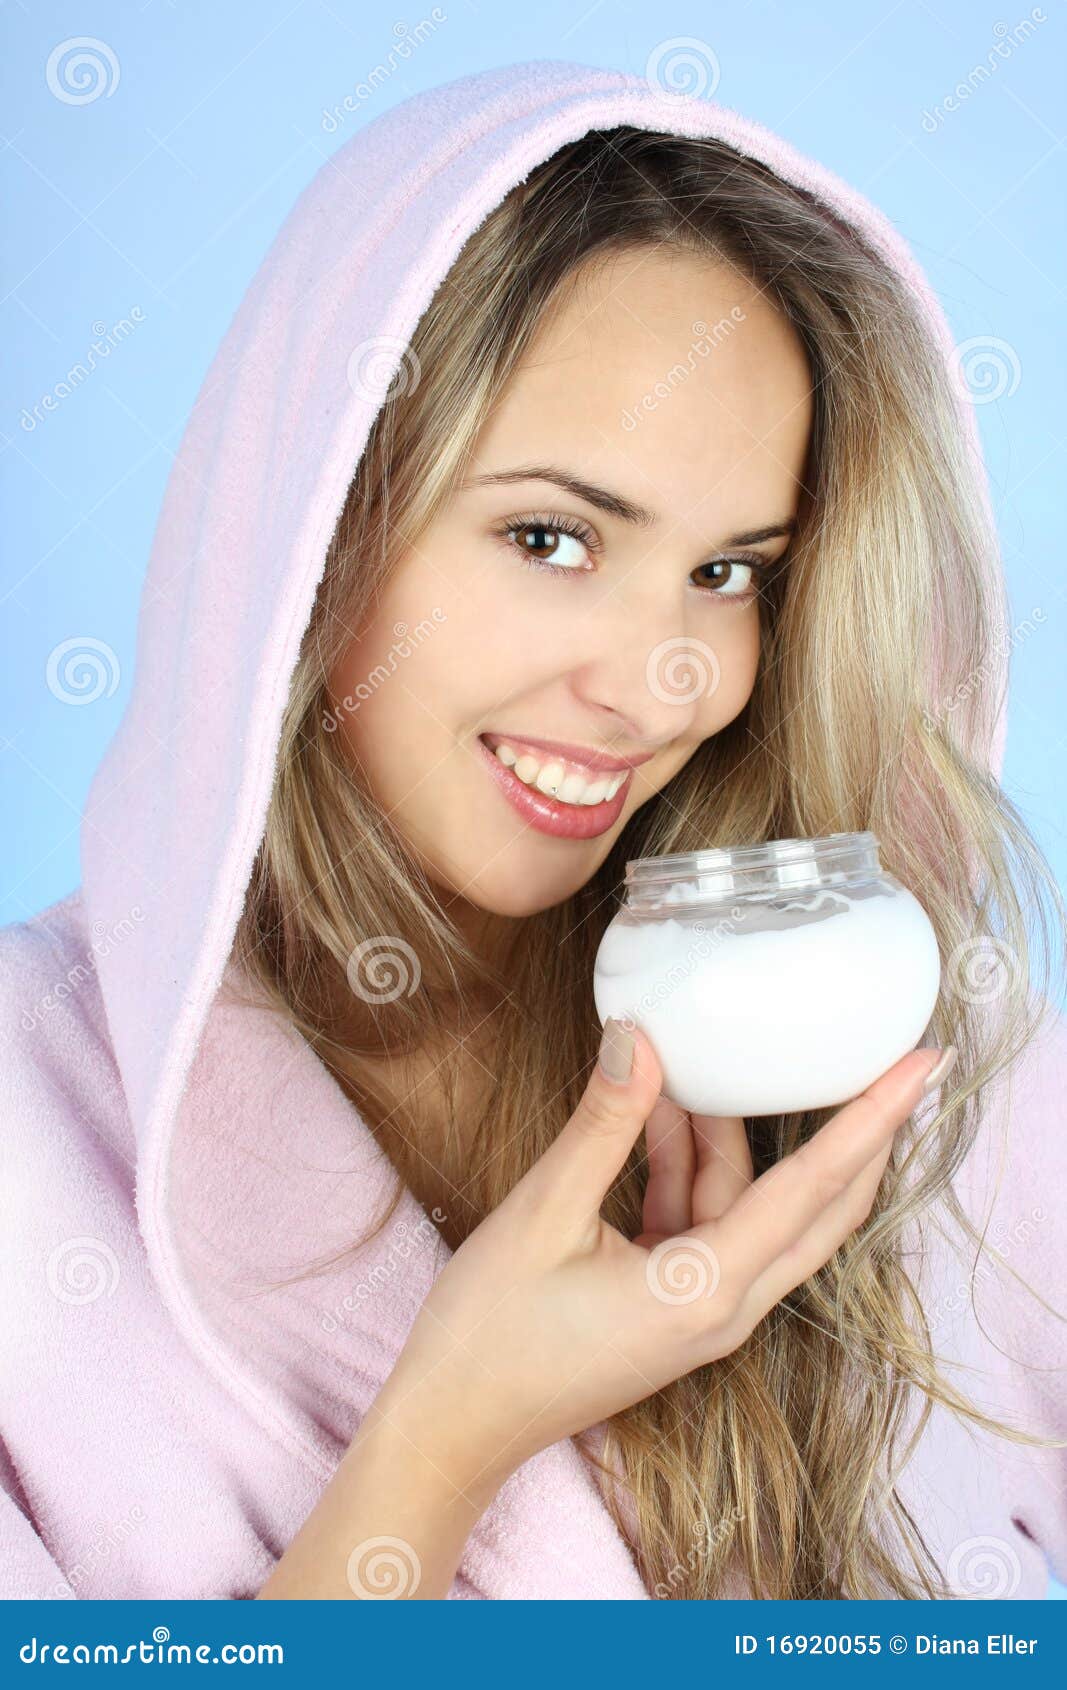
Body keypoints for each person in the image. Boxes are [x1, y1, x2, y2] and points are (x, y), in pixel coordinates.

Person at [2, 61, 1064, 1603]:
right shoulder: (32, 1147)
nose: (659, 685)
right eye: (552, 538)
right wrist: (444, 1445)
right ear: (318, 511)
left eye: (732, 571)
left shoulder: (935, 1085)